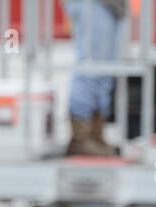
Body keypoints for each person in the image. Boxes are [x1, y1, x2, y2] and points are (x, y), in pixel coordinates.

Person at [62, 0, 124, 156]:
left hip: (108, 4)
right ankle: (81, 138)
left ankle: (94, 136)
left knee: (102, 71)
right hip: (94, 3)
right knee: (92, 67)